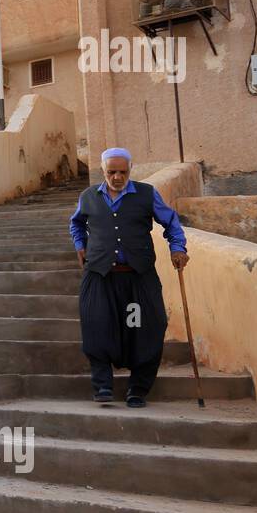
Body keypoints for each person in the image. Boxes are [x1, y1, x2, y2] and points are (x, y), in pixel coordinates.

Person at [68, 148, 189, 408]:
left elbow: (171, 222)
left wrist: (178, 248)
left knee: (147, 328)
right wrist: (80, 244)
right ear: (103, 171)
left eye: (122, 172)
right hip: (100, 275)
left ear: (130, 170)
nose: (117, 177)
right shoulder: (88, 196)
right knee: (96, 326)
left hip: (139, 277)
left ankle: (138, 388)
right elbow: (76, 223)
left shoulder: (146, 194)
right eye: (112, 172)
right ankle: (102, 385)